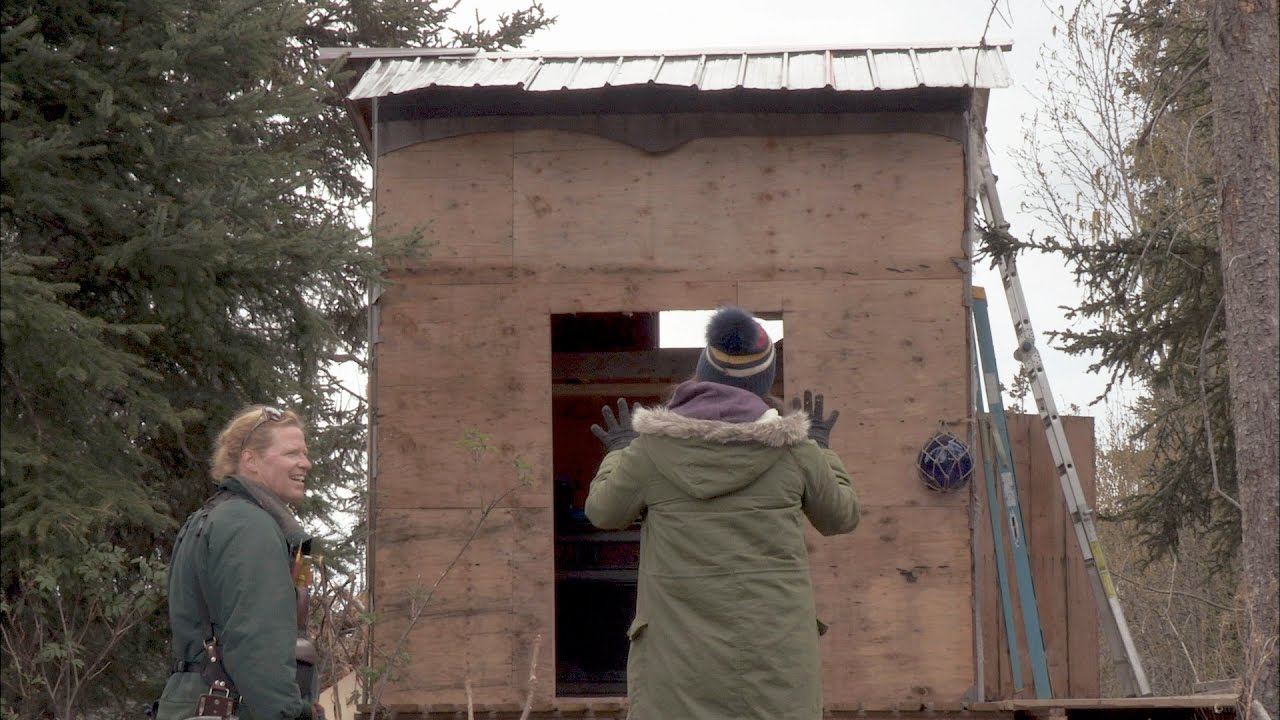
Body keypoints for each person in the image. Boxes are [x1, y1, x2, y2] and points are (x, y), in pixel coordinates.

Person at [585, 306, 861, 720]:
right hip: (775, 667)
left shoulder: (649, 451)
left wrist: (619, 452)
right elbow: (841, 516)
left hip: (676, 669)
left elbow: (604, 512)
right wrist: (823, 448)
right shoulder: (797, 452)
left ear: (703, 373)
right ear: (763, 382)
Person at [156, 405, 320, 720]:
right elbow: (258, 643)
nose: (306, 463)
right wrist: (293, 713)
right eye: (292, 453)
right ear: (250, 460)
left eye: (305, 453)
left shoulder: (208, 517)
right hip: (233, 707)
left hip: (193, 702)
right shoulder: (250, 525)